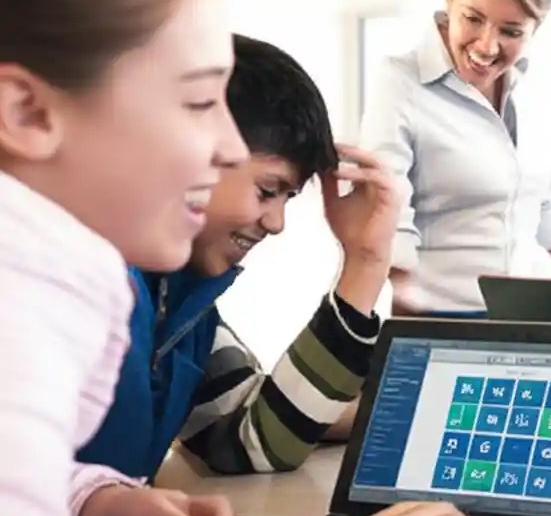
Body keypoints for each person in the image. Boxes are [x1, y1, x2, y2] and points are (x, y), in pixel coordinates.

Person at [0, 0, 488, 516]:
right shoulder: (30, 292)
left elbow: (242, 439)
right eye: (200, 102)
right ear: (27, 113)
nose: (226, 146)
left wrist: (87, 501)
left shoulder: (156, 296)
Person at [76, 34, 393, 480]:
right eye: (267, 190)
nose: (277, 222)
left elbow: (250, 440)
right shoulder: (68, 276)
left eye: (288, 197)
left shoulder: (183, 297)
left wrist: (365, 261)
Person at [360, 0, 551, 316]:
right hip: (435, 317)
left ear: (534, 30)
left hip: (518, 318)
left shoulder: (531, 92)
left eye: (511, 31)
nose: (486, 46)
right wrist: (409, 328)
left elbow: (550, 205)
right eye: (473, 19)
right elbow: (387, 214)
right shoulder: (401, 83)